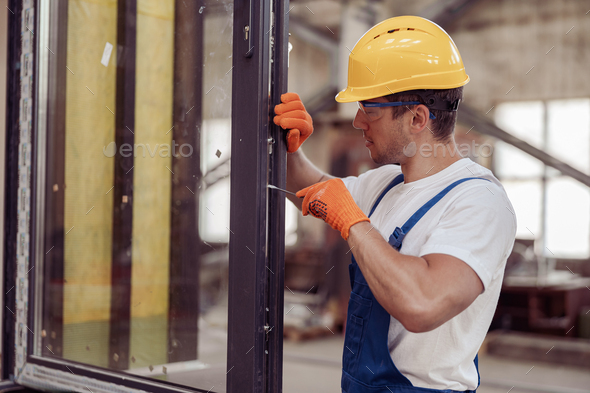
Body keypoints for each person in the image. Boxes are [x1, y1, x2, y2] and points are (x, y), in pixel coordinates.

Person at [274, 16, 516, 393]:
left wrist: (353, 223)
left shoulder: (479, 202)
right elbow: (311, 189)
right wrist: (290, 150)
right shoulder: (385, 184)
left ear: (417, 117)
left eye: (369, 109)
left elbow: (423, 303)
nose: (357, 121)